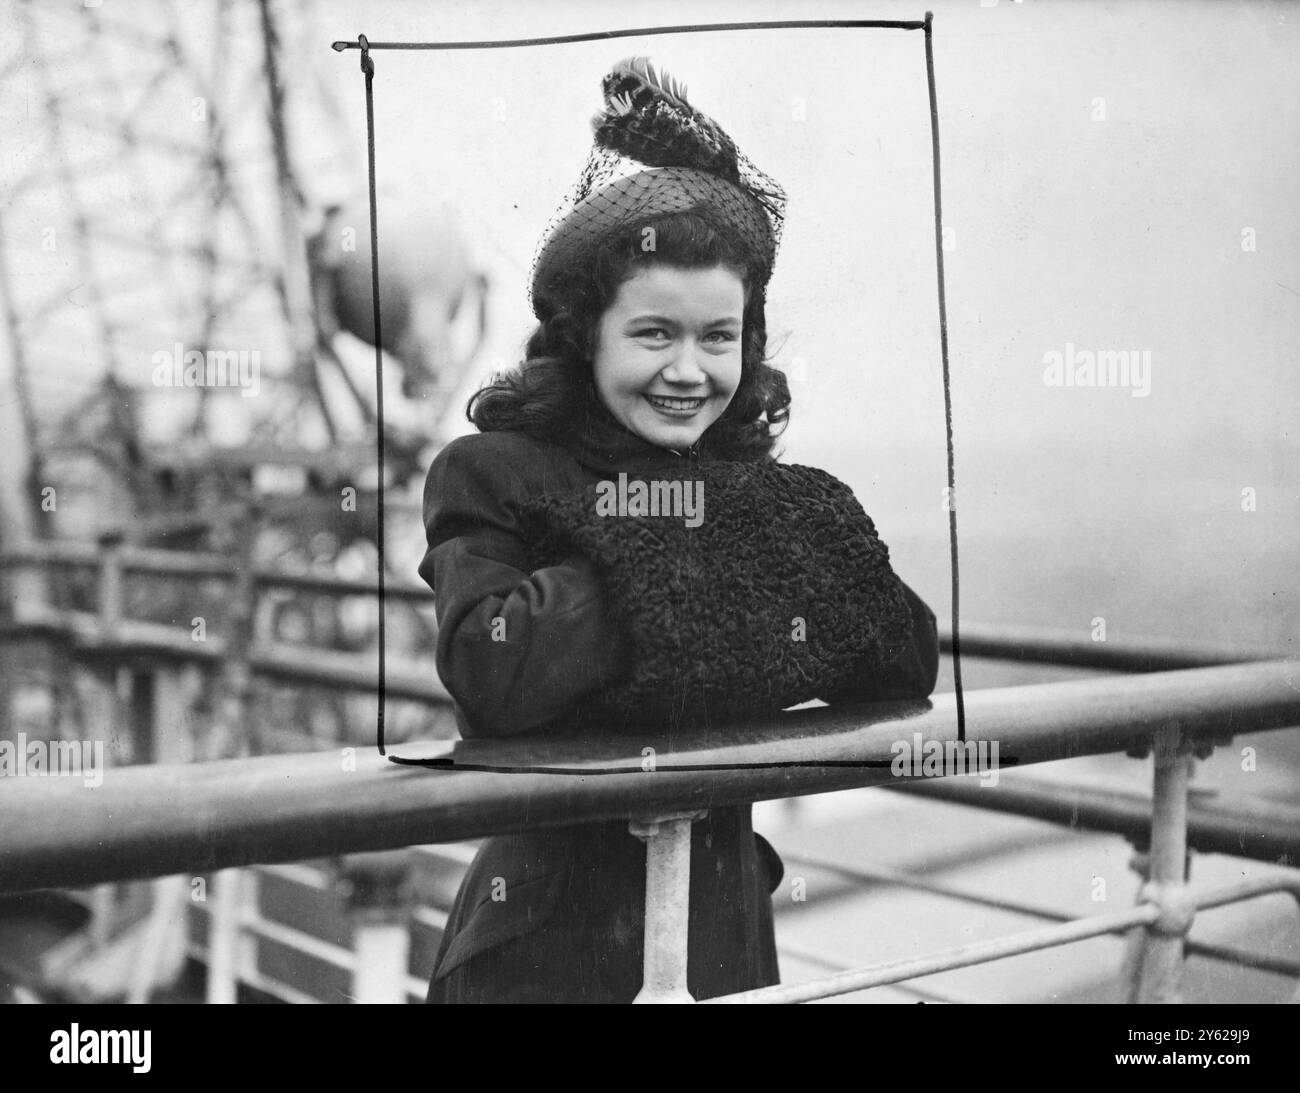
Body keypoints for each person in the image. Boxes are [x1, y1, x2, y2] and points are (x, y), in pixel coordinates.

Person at [419, 58, 939, 1004]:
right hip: (547, 956)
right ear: (586, 335)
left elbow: (902, 652)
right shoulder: (494, 471)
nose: (690, 370)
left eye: (719, 336)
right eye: (655, 333)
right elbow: (493, 669)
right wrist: (697, 537)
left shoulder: (750, 487)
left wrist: (727, 526)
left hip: (726, 938)